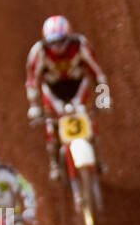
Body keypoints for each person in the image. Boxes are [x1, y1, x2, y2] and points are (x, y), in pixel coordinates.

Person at [25, 15, 108, 179]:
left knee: (89, 121)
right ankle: (54, 162)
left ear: (68, 36)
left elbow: (97, 73)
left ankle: (98, 159)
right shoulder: (39, 51)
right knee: (51, 126)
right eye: (53, 42)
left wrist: (103, 97)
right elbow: (32, 80)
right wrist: (34, 106)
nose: (57, 46)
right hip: (53, 91)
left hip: (78, 88)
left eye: (61, 41)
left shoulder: (79, 45)